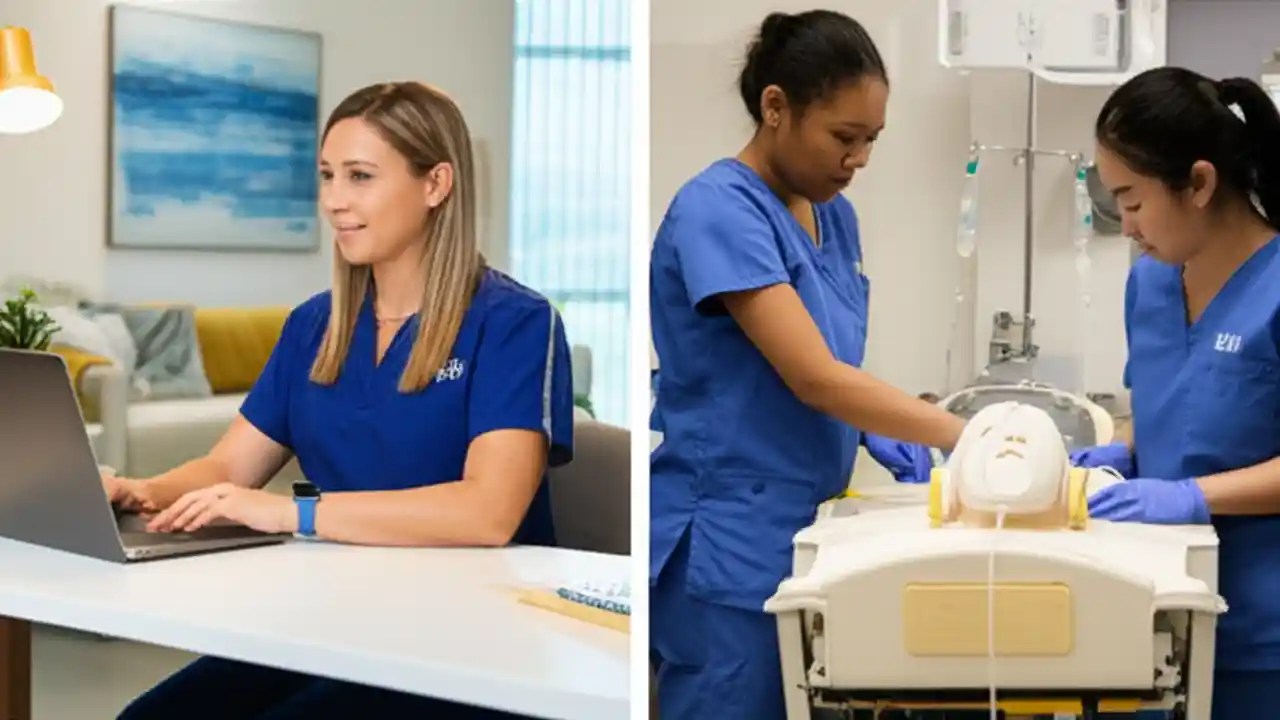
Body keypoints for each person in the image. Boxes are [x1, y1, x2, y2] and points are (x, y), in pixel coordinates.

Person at [105, 81, 574, 720]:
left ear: (436, 184)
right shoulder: (313, 327)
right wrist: (139, 491)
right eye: (327, 176)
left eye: (360, 176)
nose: (334, 200)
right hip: (338, 618)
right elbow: (227, 469)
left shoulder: (514, 322)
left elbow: (487, 512)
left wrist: (293, 514)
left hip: (470, 640)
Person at [648, 10, 968, 719]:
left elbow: (827, 364)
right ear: (775, 107)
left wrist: (877, 429)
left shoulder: (834, 217)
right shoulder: (718, 209)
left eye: (872, 140)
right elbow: (814, 376)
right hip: (731, 539)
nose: (859, 159)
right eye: (844, 137)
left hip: (807, 529)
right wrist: (961, 434)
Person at [1073, 67, 1280, 720]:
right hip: (1154, 615)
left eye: (1133, 203)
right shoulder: (1151, 284)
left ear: (1199, 184)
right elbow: (1169, 404)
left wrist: (1191, 496)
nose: (1127, 227)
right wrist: (1121, 452)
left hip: (1262, 633)